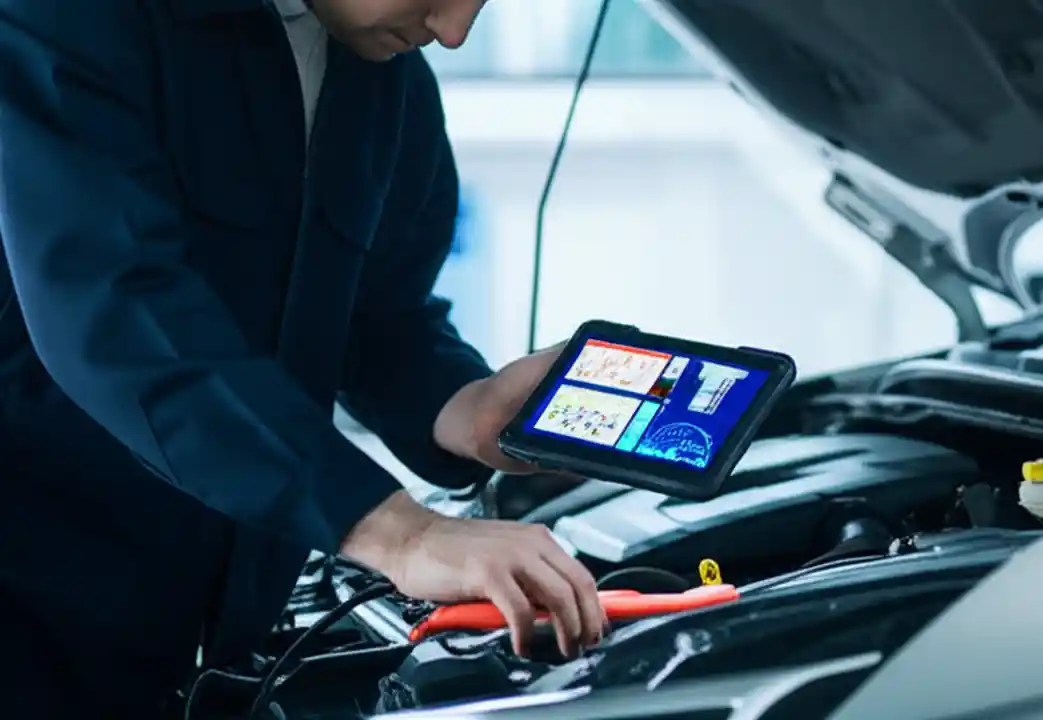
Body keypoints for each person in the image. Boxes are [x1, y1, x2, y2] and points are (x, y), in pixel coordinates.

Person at [0, 0, 605, 716]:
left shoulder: (382, 68)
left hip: (199, 645)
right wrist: (400, 533)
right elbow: (117, 314)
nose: (454, 31)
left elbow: (379, 317)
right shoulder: (68, 15)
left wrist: (474, 411)